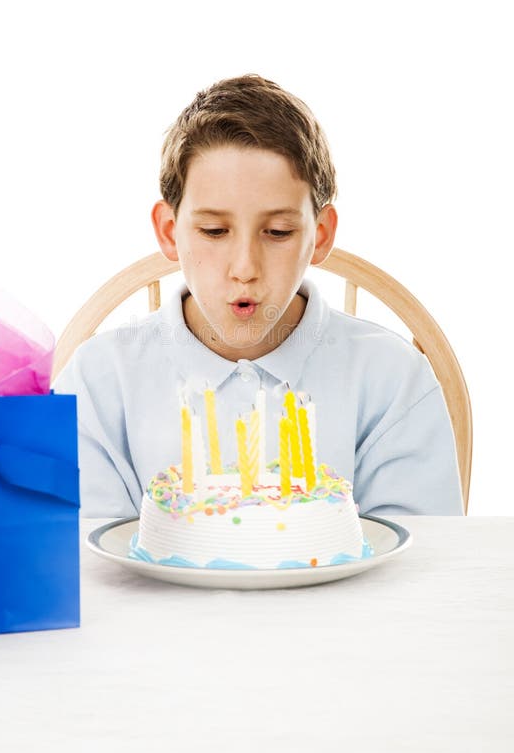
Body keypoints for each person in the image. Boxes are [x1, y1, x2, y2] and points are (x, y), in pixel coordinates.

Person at [54, 74, 464, 517]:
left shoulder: (393, 378)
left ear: (320, 235)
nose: (245, 268)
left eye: (278, 232)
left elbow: (423, 562)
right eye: (214, 231)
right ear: (170, 232)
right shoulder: (97, 382)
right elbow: (86, 564)